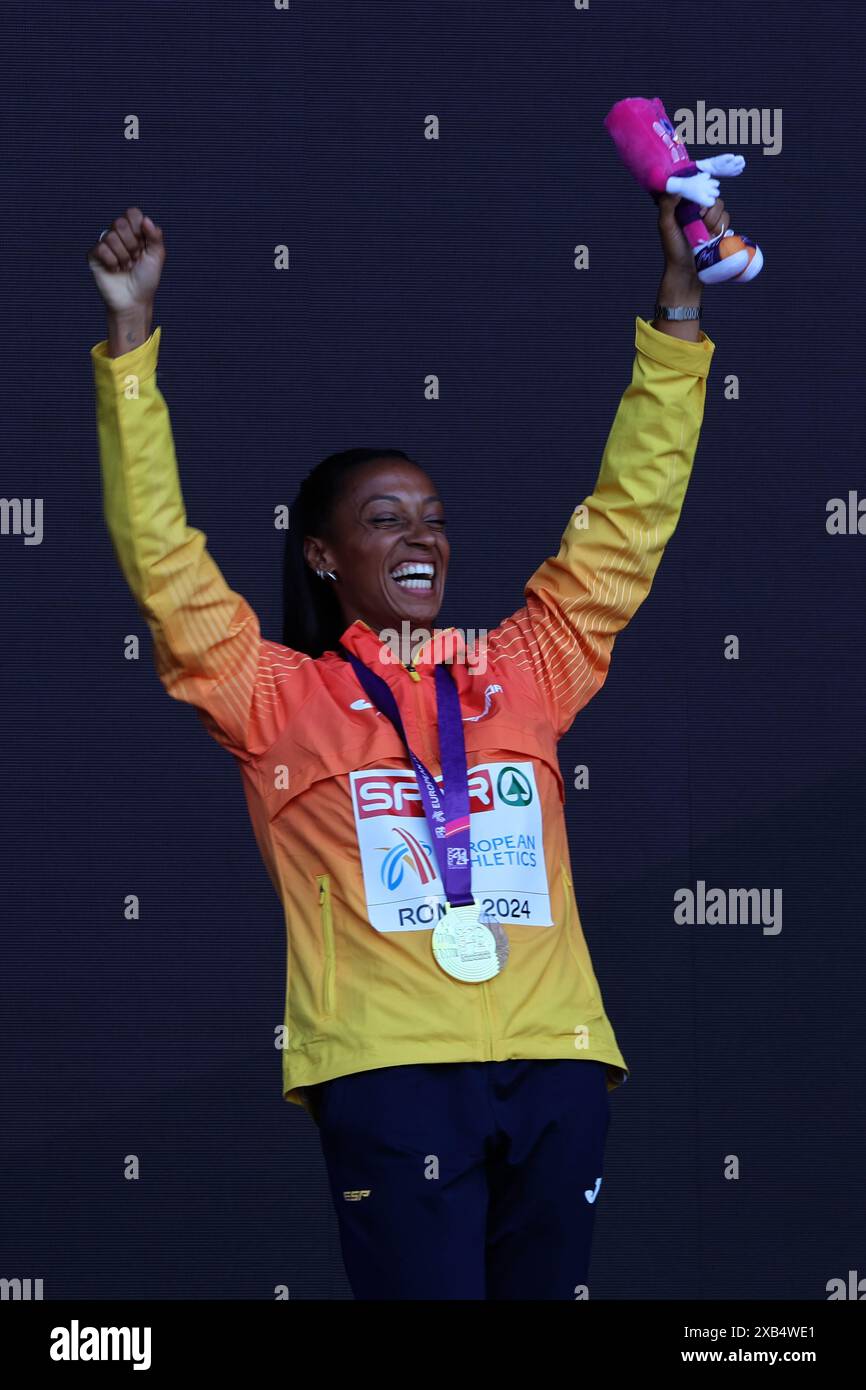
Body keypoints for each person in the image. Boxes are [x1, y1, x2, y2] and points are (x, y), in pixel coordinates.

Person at [87, 192, 721, 1300]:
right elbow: (165, 561)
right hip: (388, 1073)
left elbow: (628, 518)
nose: (419, 535)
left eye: (429, 516)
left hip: (556, 1059)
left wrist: (676, 308)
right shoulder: (271, 693)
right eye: (383, 519)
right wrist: (131, 344)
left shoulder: (523, 665)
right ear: (325, 558)